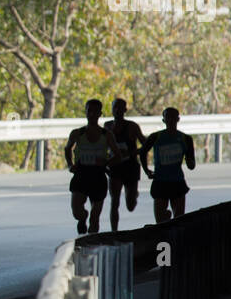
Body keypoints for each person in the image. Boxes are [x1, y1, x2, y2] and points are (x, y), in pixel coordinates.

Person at [64, 99, 124, 234]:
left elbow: (118, 155)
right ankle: (82, 217)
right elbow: (67, 149)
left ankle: (91, 246)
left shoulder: (106, 135)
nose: (91, 114)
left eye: (95, 111)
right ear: (85, 112)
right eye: (89, 111)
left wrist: (106, 163)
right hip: (81, 174)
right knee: (76, 211)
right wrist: (70, 165)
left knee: (95, 217)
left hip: (98, 175)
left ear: (100, 114)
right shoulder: (77, 133)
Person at [140, 107, 196, 222]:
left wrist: (190, 162)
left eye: (173, 117)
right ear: (163, 120)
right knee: (160, 222)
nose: (170, 120)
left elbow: (192, 164)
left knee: (179, 220)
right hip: (160, 181)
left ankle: (176, 239)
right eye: (168, 117)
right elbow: (142, 152)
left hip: (177, 182)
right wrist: (146, 170)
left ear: (178, 119)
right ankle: (166, 224)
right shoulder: (156, 137)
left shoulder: (186, 139)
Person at [104, 98, 146, 231]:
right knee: (114, 201)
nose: (117, 110)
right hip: (115, 167)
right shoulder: (107, 126)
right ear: (111, 109)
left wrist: (135, 152)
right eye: (115, 107)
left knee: (130, 206)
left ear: (125, 110)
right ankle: (114, 232)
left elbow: (145, 143)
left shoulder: (132, 126)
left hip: (131, 167)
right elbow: (103, 145)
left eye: (120, 107)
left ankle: (134, 195)